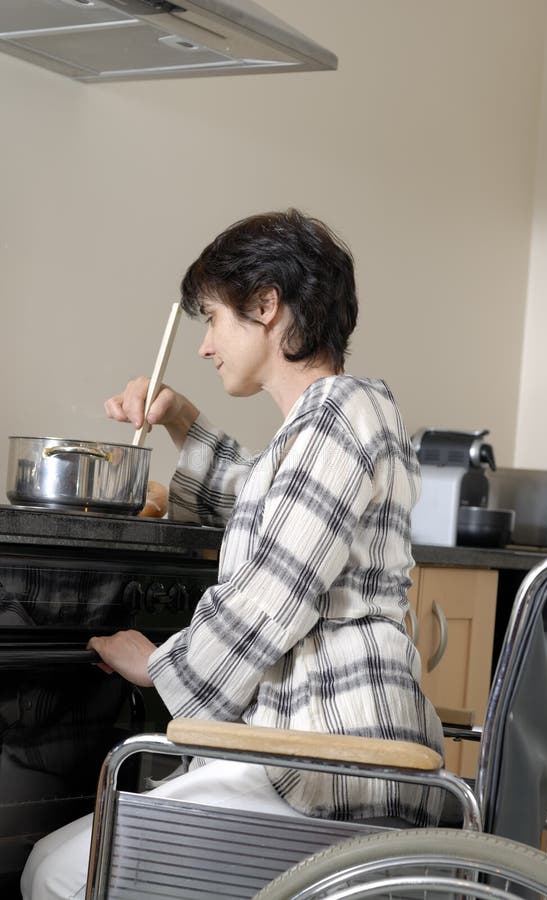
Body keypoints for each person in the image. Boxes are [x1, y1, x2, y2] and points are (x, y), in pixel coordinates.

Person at [21, 209, 444, 900]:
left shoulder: (341, 415)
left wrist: (158, 666)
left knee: (62, 873)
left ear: (267, 306)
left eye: (214, 318)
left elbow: (272, 595)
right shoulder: (327, 422)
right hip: (309, 753)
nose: (206, 345)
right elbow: (262, 501)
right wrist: (182, 419)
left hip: (329, 763)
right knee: (62, 861)